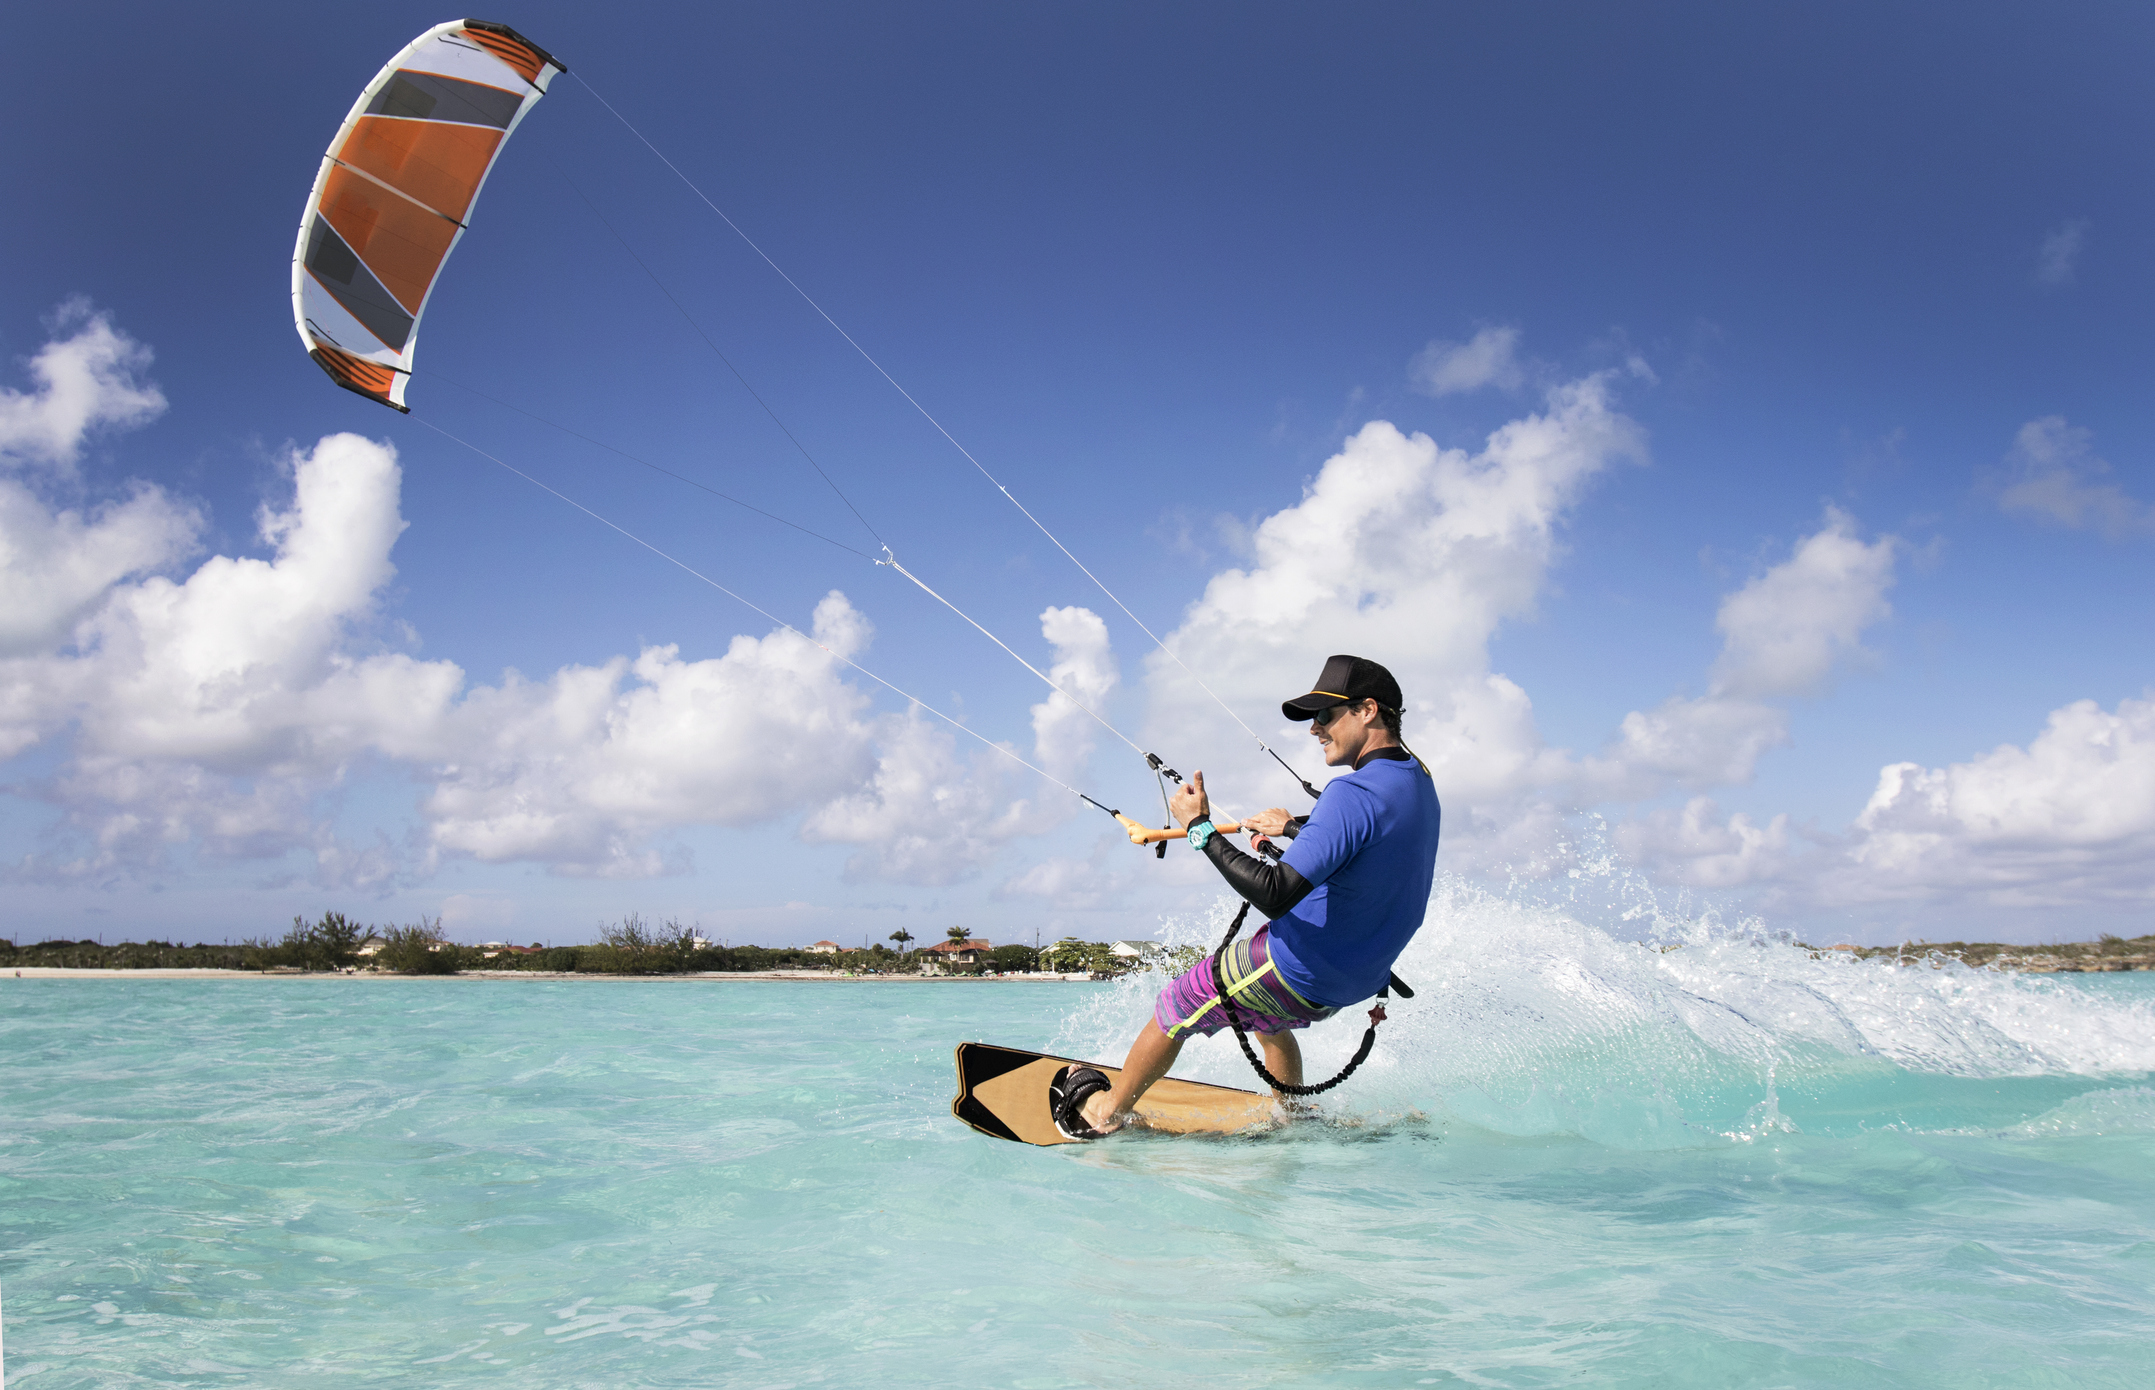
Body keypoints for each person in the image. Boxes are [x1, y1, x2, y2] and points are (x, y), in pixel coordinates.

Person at [1056, 654, 1442, 1138]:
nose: (1314, 729)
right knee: (1264, 1016)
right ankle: (1293, 1118)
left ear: (1367, 710)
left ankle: (1105, 1113)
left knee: (1178, 1002)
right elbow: (1373, 842)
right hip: (1358, 978)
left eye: (1325, 715)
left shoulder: (1350, 794)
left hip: (1301, 967)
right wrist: (1297, 828)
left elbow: (1275, 895)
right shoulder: (1417, 780)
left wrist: (1199, 829)